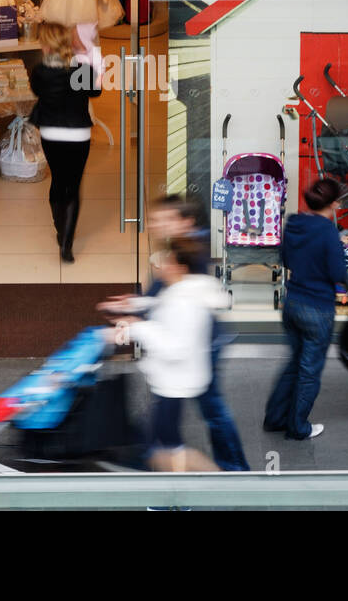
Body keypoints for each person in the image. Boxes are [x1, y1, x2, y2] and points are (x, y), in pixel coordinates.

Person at [103, 195, 250, 471]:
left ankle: (230, 474)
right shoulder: (178, 251)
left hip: (193, 351)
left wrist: (136, 324)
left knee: (208, 412)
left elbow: (178, 308)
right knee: (174, 419)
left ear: (187, 222)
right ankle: (166, 466)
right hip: (181, 359)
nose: (157, 225)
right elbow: (169, 298)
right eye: (156, 219)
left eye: (166, 219)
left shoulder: (190, 254)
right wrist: (136, 305)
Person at [109, 238, 224, 472]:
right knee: (163, 442)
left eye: (167, 261)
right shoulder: (183, 289)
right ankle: (176, 495)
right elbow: (162, 305)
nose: (161, 266)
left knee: (166, 445)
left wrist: (134, 327)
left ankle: (219, 485)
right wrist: (132, 305)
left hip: (174, 381)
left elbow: (175, 346)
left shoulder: (183, 303)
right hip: (173, 380)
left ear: (181, 267)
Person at [263, 176, 348, 440]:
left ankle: (275, 418)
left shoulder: (294, 223)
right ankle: (298, 427)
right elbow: (337, 273)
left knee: (294, 364)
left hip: (292, 304)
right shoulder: (328, 232)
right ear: (335, 204)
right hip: (317, 309)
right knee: (309, 371)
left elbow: (287, 259)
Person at [29, 21, 101, 263]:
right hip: (78, 134)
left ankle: (60, 229)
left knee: (57, 182)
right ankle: (67, 244)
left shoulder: (40, 71)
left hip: (51, 132)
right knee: (73, 185)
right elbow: (95, 92)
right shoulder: (82, 70)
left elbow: (38, 90)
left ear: (47, 45)